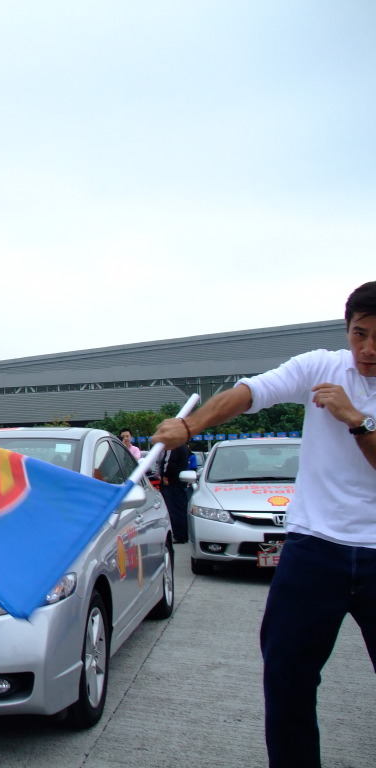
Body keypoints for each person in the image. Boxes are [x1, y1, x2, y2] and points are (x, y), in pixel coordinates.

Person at [151, 281, 376, 768]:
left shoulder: (346, 398)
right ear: (347, 329)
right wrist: (191, 426)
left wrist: (356, 419)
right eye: (360, 334)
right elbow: (250, 392)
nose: (369, 349)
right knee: (288, 679)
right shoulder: (321, 365)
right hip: (314, 548)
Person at [159, 443, 190, 543]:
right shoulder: (183, 446)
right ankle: (182, 535)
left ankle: (178, 535)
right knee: (180, 509)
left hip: (171, 482)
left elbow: (169, 462)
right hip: (180, 482)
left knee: (174, 510)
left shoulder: (173, 446)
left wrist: (165, 476)